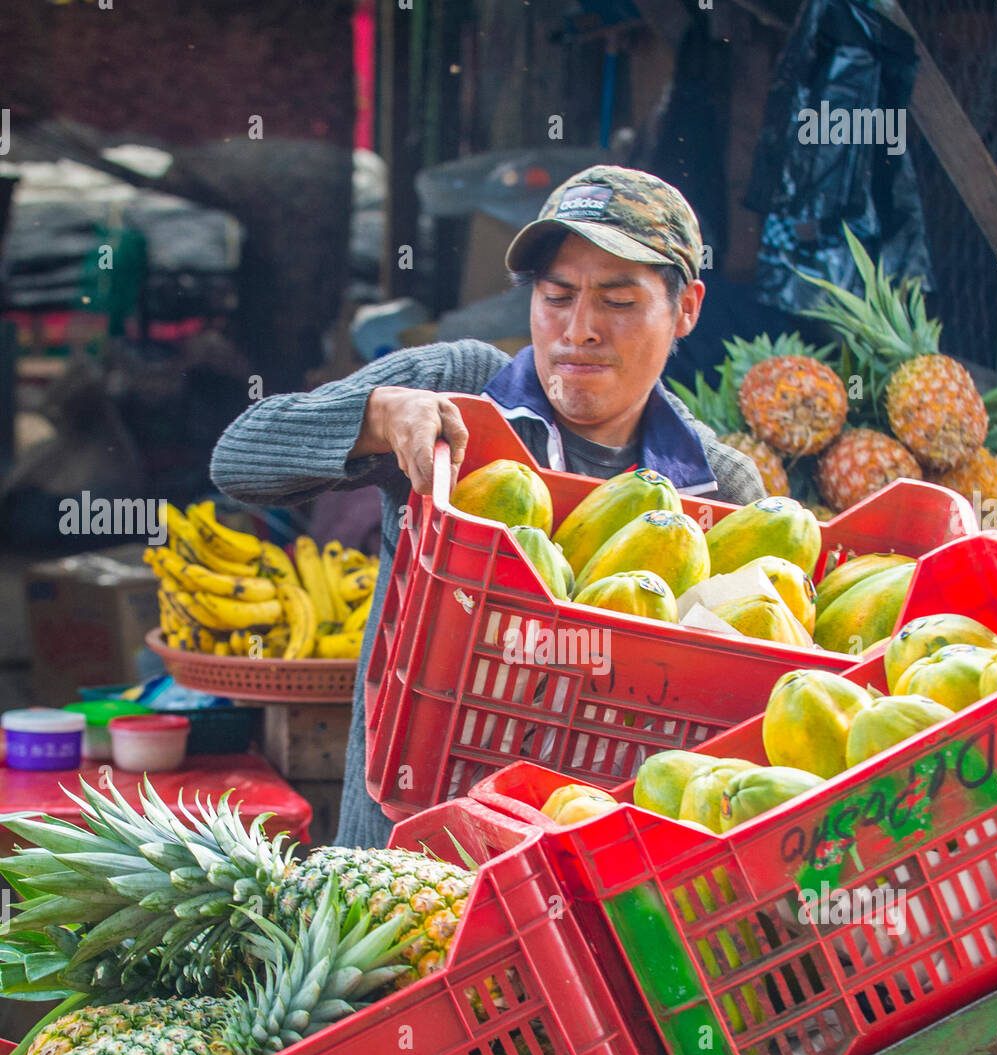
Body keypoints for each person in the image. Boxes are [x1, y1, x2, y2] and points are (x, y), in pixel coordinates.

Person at [211, 165, 766, 850]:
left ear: (686, 310)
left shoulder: (721, 488)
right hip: (400, 871)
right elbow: (238, 457)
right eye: (556, 295)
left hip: (588, 884)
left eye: (618, 301)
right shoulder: (456, 389)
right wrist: (377, 415)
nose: (580, 329)